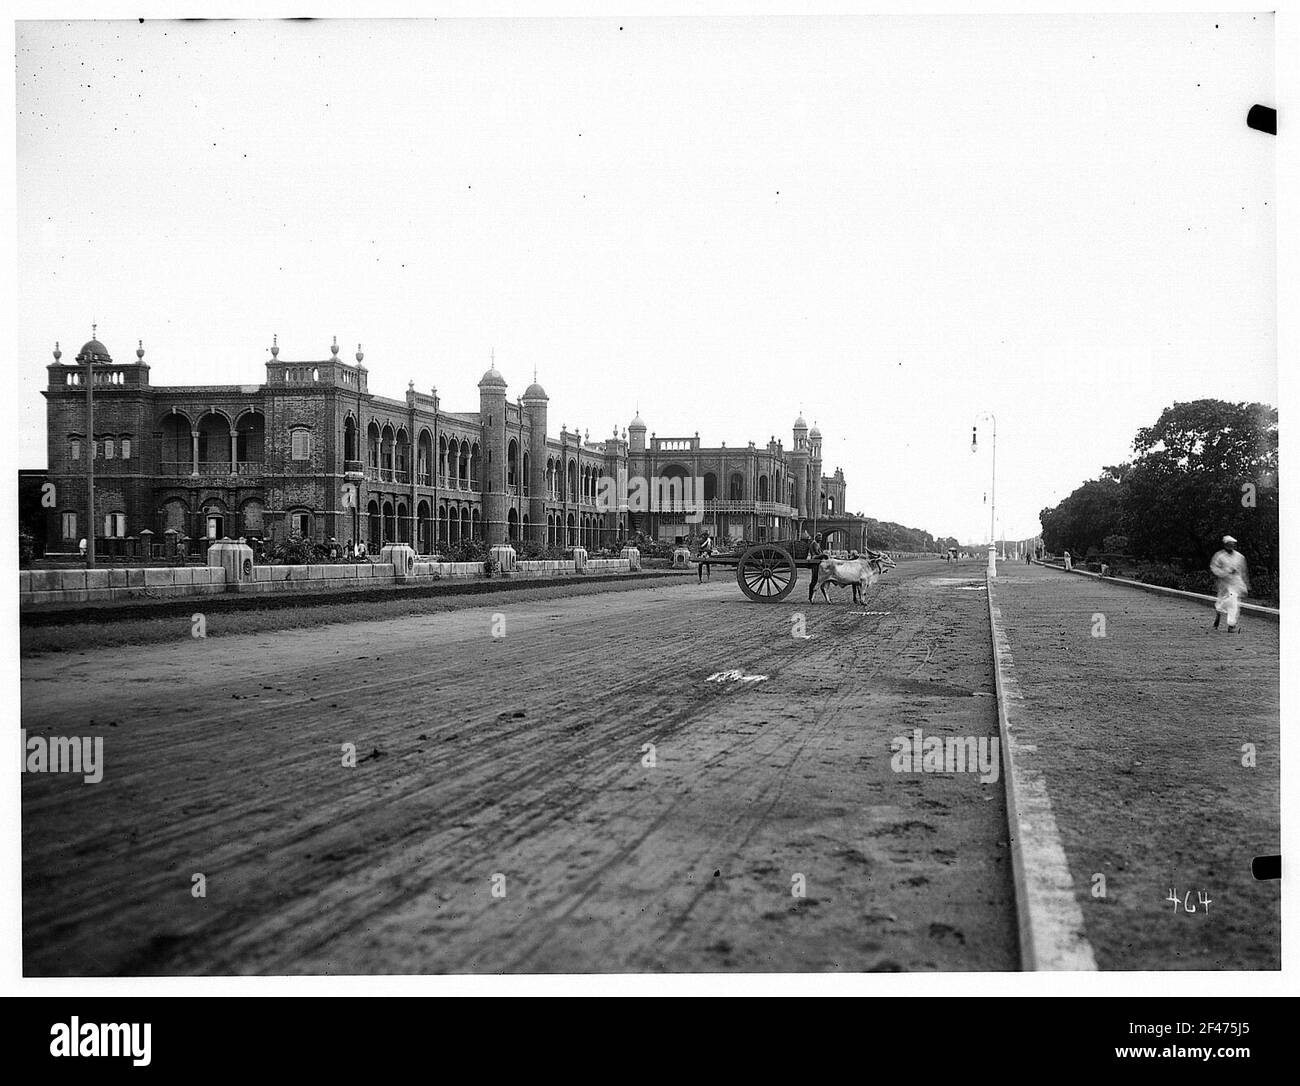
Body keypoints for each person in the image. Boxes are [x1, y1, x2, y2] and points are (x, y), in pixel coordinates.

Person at [1210, 535, 1249, 632]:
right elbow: (1214, 567)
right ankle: (1219, 610)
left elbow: (1243, 571)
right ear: (1225, 545)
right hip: (1224, 583)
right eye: (1229, 545)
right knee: (1224, 601)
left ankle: (1231, 624)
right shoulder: (1219, 556)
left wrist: (1246, 583)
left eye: (1233, 545)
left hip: (1236, 583)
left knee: (1234, 601)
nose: (1231, 546)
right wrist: (1225, 572)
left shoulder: (1240, 557)